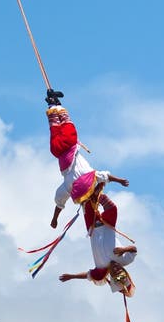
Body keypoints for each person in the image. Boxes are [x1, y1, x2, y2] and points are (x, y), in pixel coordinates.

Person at [45, 91, 129, 229]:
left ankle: (55, 104)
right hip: (58, 151)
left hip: (70, 145)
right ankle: (52, 103)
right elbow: (59, 201)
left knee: (65, 124)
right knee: (55, 128)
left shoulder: (91, 177)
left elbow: (105, 176)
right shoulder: (70, 186)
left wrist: (120, 181)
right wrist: (54, 219)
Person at [59, 184, 137, 297]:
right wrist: (124, 249)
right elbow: (134, 250)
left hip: (92, 226)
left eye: (114, 271)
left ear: (112, 275)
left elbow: (88, 275)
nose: (116, 267)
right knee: (112, 208)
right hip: (108, 224)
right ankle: (99, 195)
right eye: (119, 269)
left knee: (85, 200)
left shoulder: (101, 270)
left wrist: (72, 276)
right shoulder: (125, 260)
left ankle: (82, 188)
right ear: (124, 271)